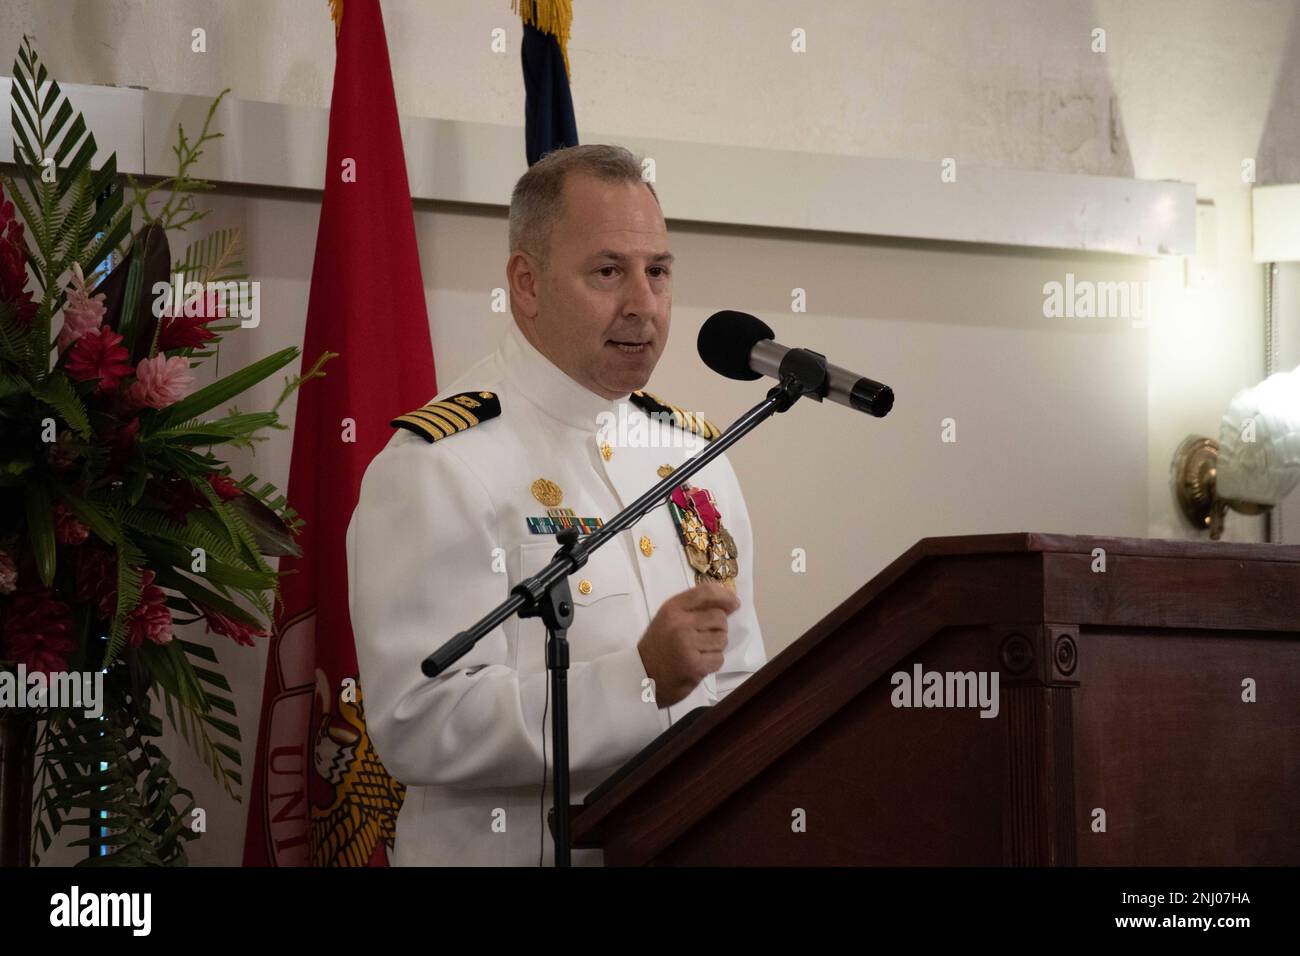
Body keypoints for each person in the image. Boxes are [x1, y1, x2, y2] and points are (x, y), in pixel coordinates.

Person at [346, 144, 766, 866]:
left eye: (658, 273)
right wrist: (639, 682)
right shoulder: (442, 464)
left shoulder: (692, 456)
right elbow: (417, 719)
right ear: (527, 283)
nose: (643, 305)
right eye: (608, 272)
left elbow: (739, 682)